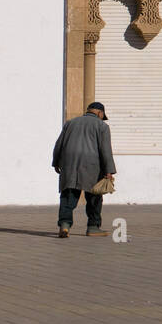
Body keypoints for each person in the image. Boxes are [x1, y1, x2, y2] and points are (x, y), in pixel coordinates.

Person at [51, 101, 116, 237]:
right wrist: (109, 170)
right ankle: (93, 227)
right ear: (100, 113)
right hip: (92, 167)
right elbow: (105, 150)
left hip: (69, 165)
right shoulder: (102, 126)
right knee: (94, 197)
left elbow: (59, 144)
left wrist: (56, 162)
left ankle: (64, 225)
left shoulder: (70, 123)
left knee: (68, 196)